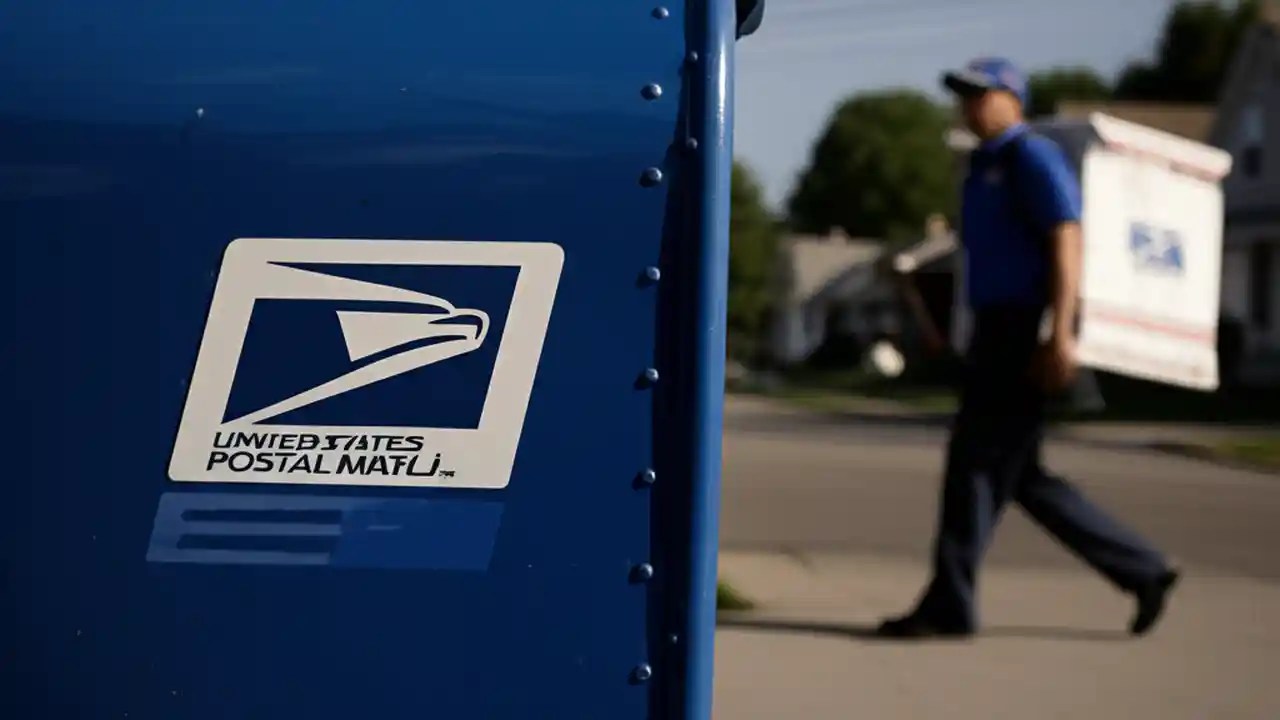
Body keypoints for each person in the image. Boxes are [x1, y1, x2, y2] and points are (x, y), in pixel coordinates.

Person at [877, 57, 1180, 639]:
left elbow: (1067, 237)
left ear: (1013, 99)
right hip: (994, 329)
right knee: (1018, 475)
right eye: (963, 96)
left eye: (980, 94)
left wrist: (1059, 331)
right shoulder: (980, 168)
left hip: (1024, 329)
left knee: (975, 469)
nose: (969, 106)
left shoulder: (1030, 157)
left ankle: (949, 605)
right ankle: (1143, 569)